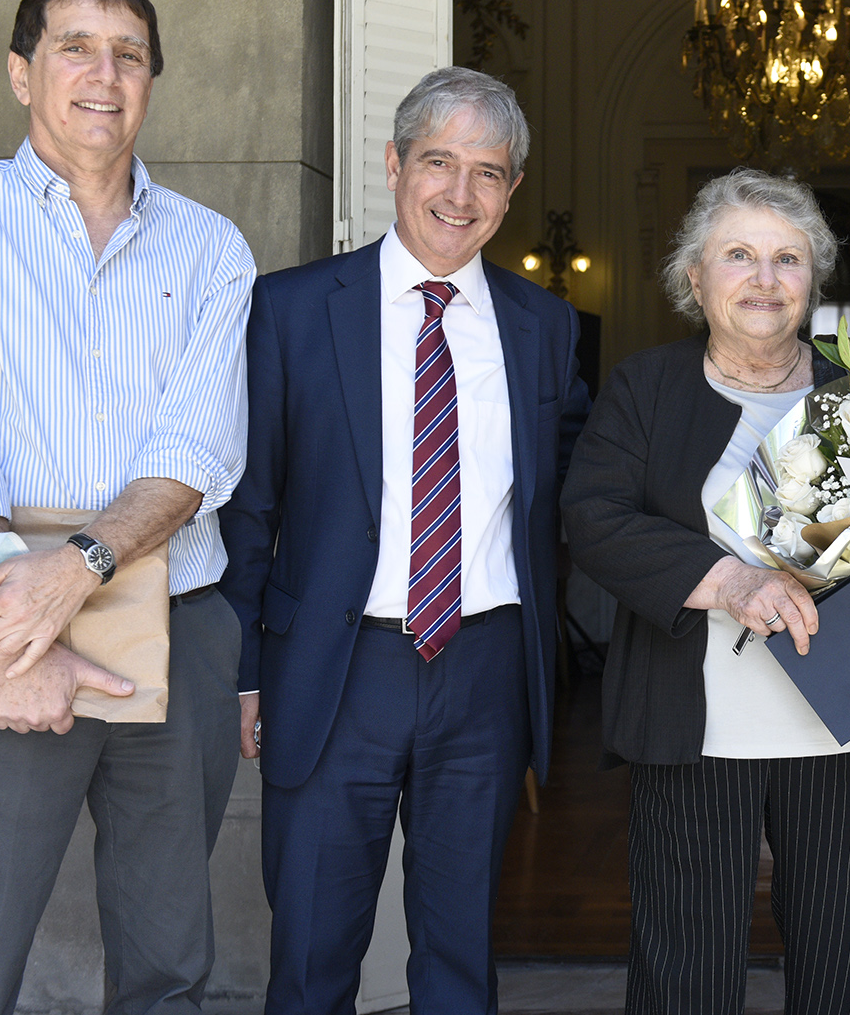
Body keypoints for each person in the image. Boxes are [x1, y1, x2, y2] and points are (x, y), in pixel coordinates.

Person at [0, 0, 255, 1015]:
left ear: (152, 80)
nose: (104, 73)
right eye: (74, 48)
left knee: (170, 966)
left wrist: (73, 574)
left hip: (175, 619)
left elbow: (195, 454)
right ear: (20, 73)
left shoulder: (212, 247)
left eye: (129, 54)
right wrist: (22, 629)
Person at [216, 65, 588, 1013]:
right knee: (311, 954)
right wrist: (247, 670)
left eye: (490, 172)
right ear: (392, 165)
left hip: (486, 666)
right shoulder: (292, 310)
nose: (460, 194)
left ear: (510, 191)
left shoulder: (544, 326)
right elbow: (249, 503)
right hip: (335, 669)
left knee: (461, 956)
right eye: (439, 163)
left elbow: (577, 493)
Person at [563, 169, 850, 1015]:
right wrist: (729, 580)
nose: (765, 279)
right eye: (738, 255)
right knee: (685, 976)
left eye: (788, 259)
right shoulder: (647, 388)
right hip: (693, 731)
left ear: (812, 283)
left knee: (834, 970)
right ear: (694, 277)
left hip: (841, 727)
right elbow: (592, 513)